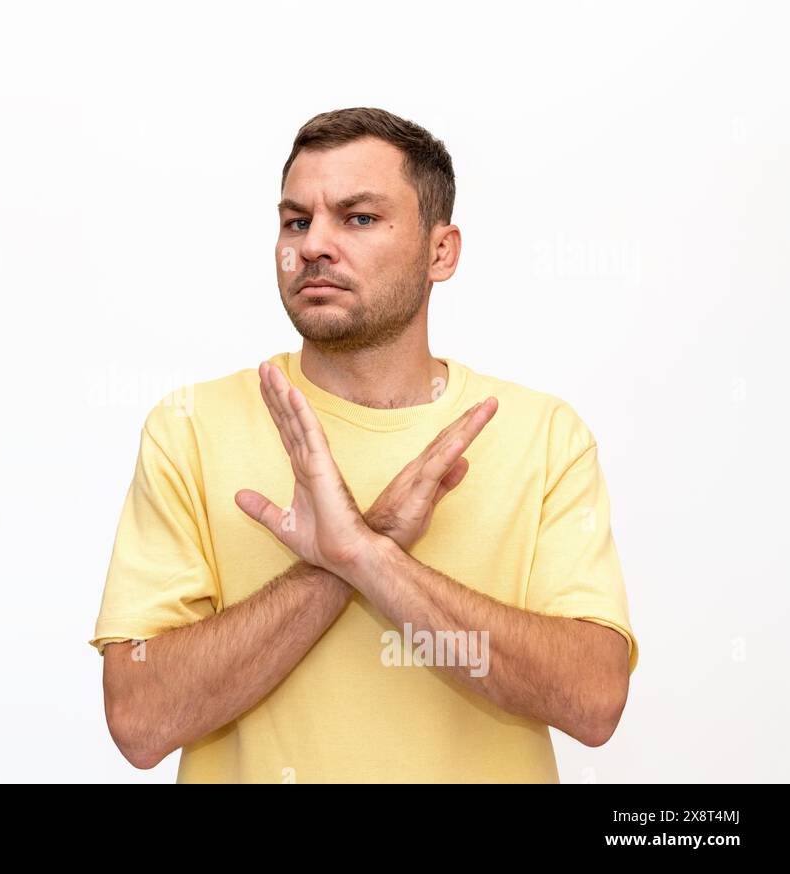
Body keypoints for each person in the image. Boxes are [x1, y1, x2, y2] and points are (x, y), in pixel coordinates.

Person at [89, 107, 638, 783]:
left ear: (442, 251)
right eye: (296, 220)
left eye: (358, 218)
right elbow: (141, 721)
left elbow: (594, 700)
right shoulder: (189, 426)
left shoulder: (543, 435)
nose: (313, 244)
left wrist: (365, 556)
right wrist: (360, 549)